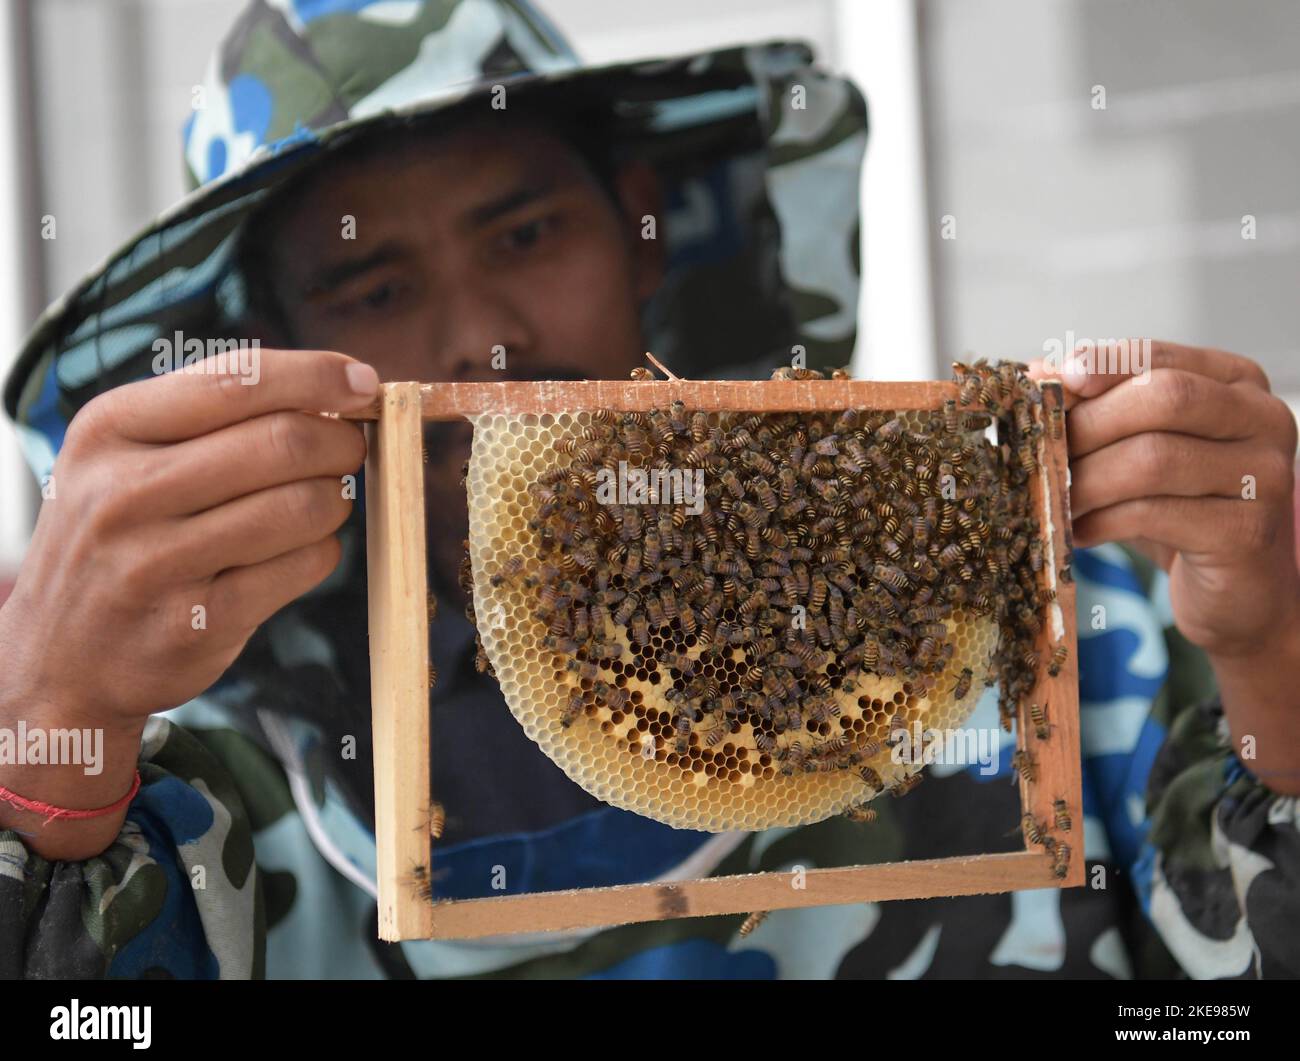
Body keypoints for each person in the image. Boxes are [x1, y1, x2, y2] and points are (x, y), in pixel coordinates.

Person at [1, 0, 1297, 980]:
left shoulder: (1089, 639)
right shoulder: (204, 791)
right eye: (375, 288)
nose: (484, 340)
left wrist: (1280, 657)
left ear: (638, 223)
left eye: (526, 233)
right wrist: (44, 739)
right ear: (275, 348)